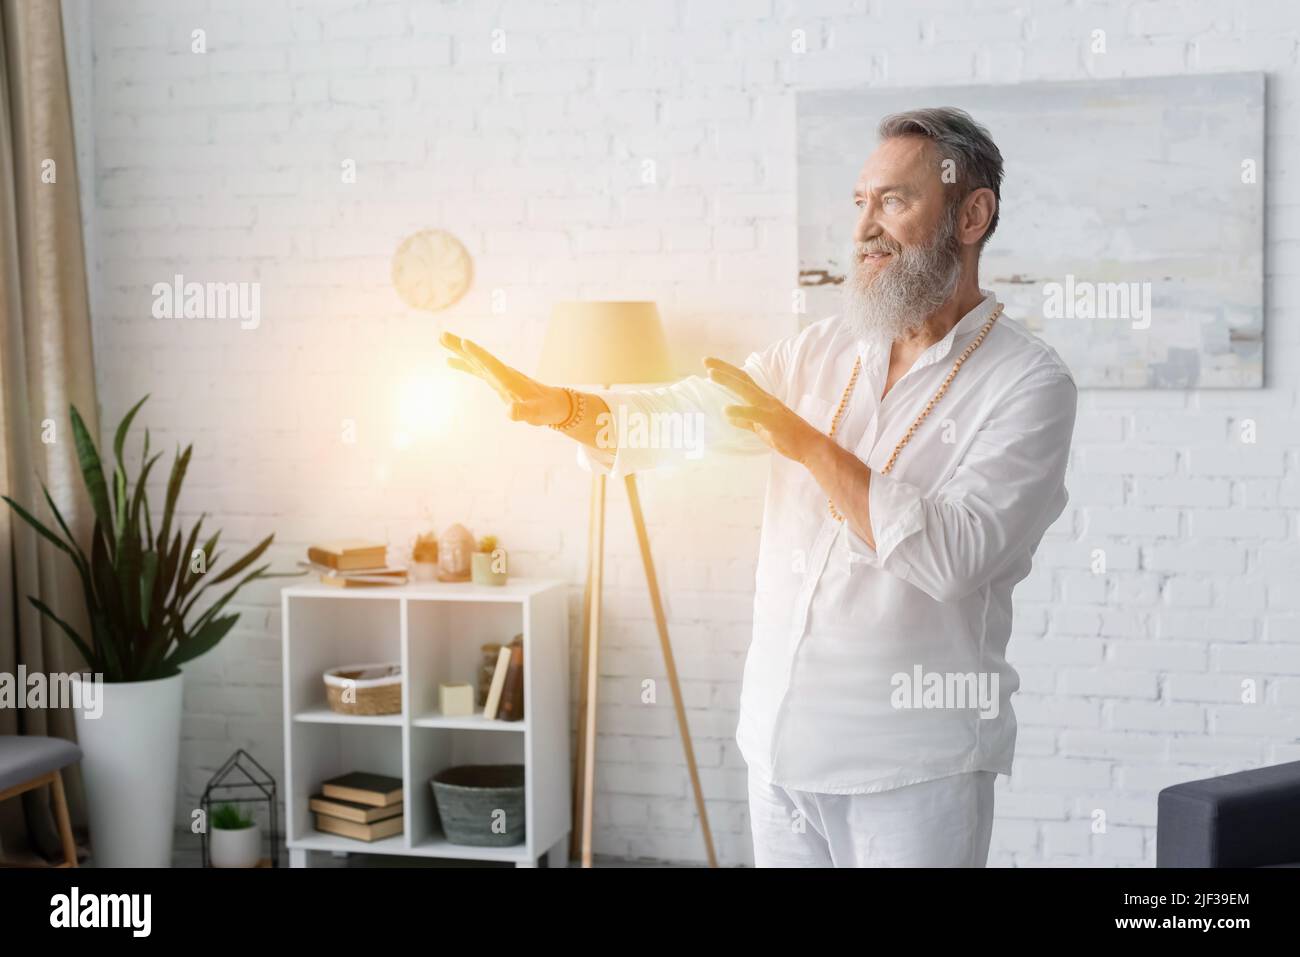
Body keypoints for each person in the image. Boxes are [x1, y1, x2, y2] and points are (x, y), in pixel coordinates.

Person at [441, 107, 1077, 867]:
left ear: (972, 214)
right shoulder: (825, 346)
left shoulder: (1030, 383)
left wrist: (803, 441)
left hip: (913, 773)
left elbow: (956, 556)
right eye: (858, 203)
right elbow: (693, 411)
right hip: (777, 752)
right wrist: (568, 409)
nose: (863, 229)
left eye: (894, 201)